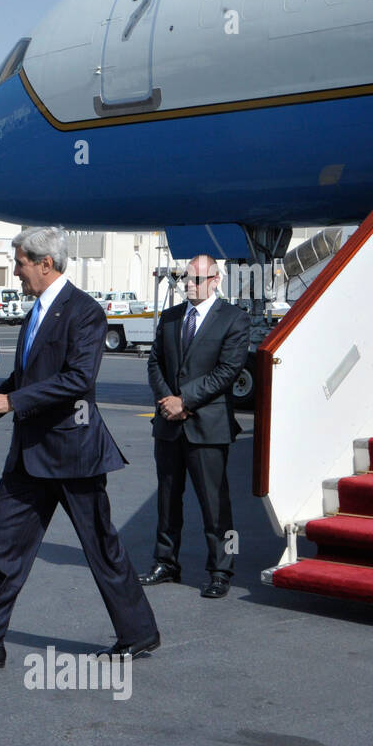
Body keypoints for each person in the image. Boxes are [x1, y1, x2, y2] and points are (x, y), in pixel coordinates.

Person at [0, 227, 160, 669]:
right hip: (29, 454)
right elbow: (24, 379)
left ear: (45, 264)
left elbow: (78, 379)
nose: (16, 273)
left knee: (100, 546)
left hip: (74, 453)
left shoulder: (85, 312)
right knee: (2, 544)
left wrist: (12, 402)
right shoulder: (36, 311)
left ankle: (139, 633)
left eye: (19, 264)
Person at [140, 254, 251, 599]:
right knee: (168, 499)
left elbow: (227, 371)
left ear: (215, 280)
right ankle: (166, 562)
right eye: (185, 278)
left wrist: (183, 401)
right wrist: (166, 401)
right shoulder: (172, 318)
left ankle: (221, 569)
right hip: (169, 425)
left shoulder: (233, 320)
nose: (189, 285)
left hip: (208, 426)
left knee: (215, 503)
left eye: (197, 279)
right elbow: (155, 360)